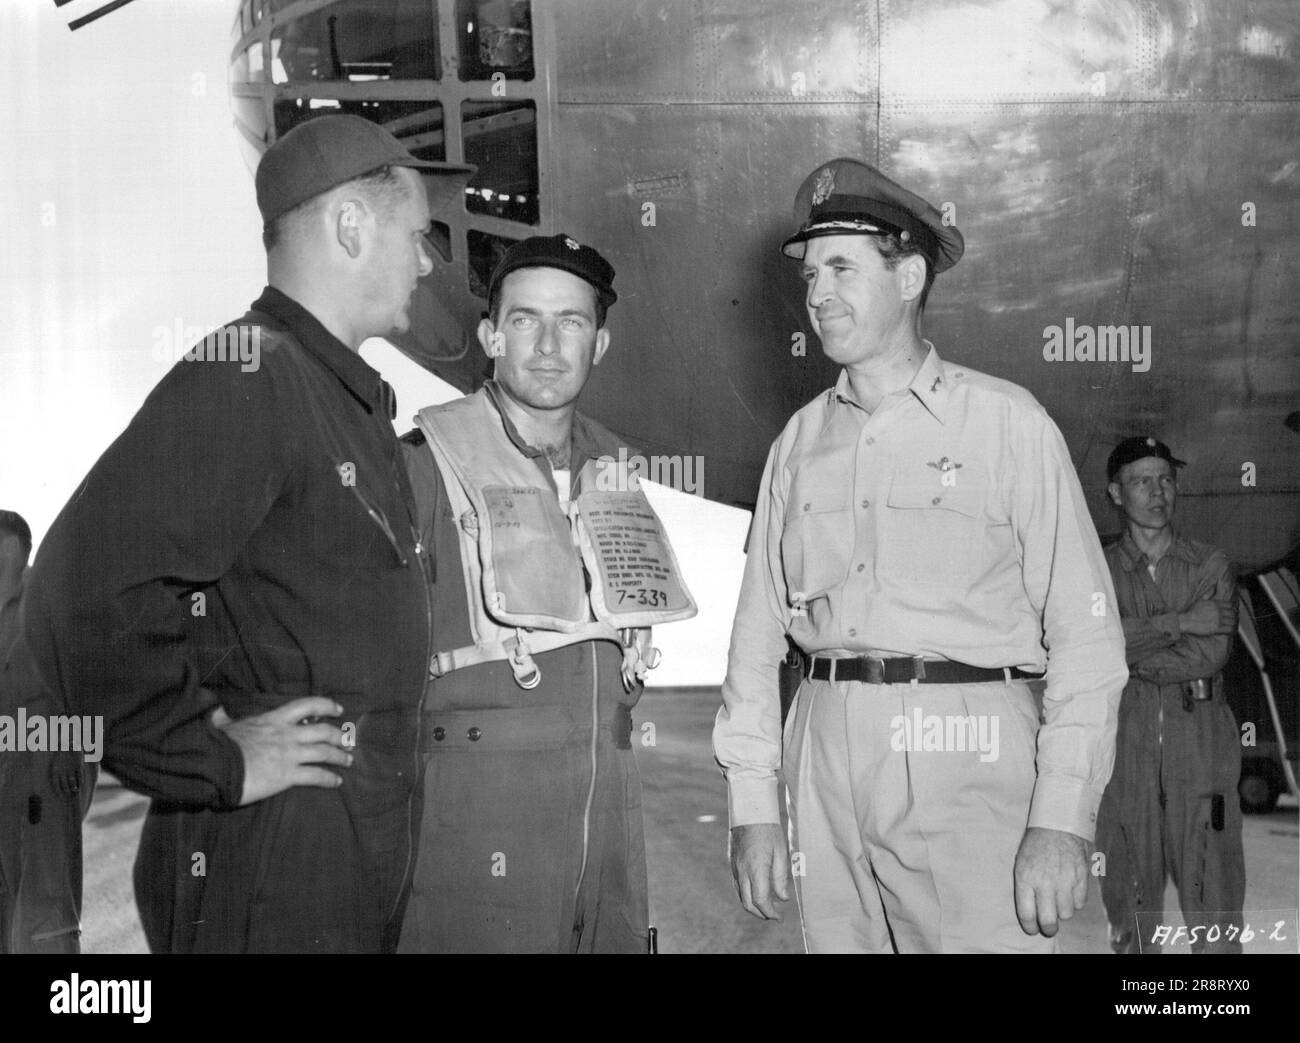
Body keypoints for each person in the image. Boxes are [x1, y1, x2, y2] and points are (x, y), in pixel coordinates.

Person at [18, 115, 474, 953]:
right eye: (417, 235)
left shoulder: (335, 398)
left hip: (337, 854)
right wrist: (213, 757)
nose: (426, 260)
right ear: (350, 226)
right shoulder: (249, 373)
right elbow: (78, 590)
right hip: (272, 866)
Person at [713, 158, 1129, 953]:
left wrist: (1061, 818)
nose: (816, 294)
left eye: (841, 267)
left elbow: (1088, 637)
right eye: (808, 273)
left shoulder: (1008, 424)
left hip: (968, 748)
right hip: (825, 749)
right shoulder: (797, 443)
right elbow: (757, 638)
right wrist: (754, 806)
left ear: (908, 275)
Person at [398, 233, 696, 953]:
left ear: (600, 344)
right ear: (489, 335)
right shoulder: (420, 467)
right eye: (525, 319)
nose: (548, 344)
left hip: (608, 826)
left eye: (572, 322)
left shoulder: (617, 475)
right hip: (474, 827)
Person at [1095, 436, 1244, 954]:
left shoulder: (1210, 564)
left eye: (1166, 479)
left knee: (1215, 895)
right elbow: (1092, 646)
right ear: (1116, 493)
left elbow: (1211, 654)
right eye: (1142, 480)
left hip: (1200, 741)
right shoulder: (1097, 570)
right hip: (1125, 744)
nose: (1158, 492)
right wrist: (1181, 621)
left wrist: (1129, 641)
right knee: (1130, 900)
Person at [0, 509, 94, 953]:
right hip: (8, 764)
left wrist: (70, 751)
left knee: (47, 900)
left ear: (16, 548)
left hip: (51, 757)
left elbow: (90, 675)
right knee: (11, 898)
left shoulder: (53, 596)